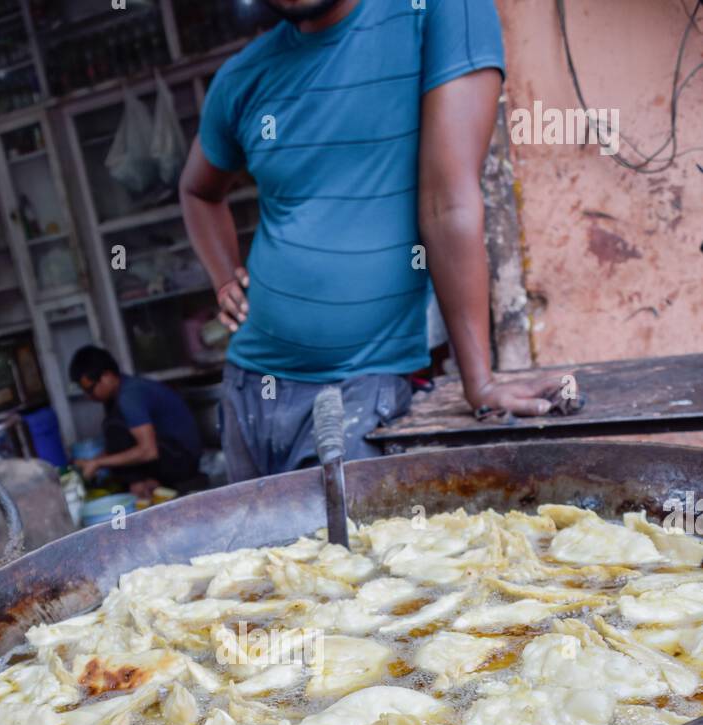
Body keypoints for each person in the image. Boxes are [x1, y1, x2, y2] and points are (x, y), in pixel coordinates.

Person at [180, 0, 565, 482]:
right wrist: (223, 278)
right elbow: (197, 191)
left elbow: (448, 204)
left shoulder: (437, 11)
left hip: (358, 386)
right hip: (249, 388)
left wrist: (480, 383)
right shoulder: (243, 76)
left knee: (346, 555)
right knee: (255, 558)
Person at [68, 345, 203, 495]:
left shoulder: (130, 396)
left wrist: (98, 463)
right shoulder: (118, 394)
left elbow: (149, 451)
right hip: (171, 452)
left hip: (182, 459)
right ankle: (142, 482)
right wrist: (93, 462)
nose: (89, 396)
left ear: (107, 376)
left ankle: (140, 484)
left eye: (90, 389)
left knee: (114, 428)